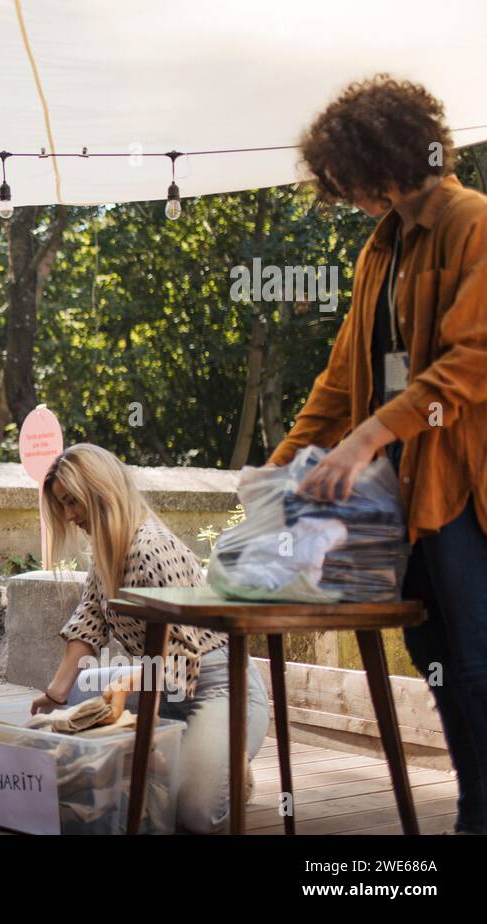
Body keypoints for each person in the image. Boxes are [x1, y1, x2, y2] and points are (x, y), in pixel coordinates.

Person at [270, 75, 487, 834]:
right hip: (404, 492)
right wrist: (281, 463)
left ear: (378, 160)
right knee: (436, 657)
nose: (345, 193)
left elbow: (471, 360)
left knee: (475, 663)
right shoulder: (381, 245)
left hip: (462, 483)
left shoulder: (473, 221)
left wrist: (369, 437)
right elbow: (342, 375)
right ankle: (472, 812)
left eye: (347, 178)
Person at [32, 443, 270, 833]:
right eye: (63, 506)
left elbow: (181, 658)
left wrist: (123, 688)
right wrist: (57, 694)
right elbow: (89, 621)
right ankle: (179, 753)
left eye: (72, 502)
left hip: (216, 685)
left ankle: (227, 763)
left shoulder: (150, 548)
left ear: (100, 490)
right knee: (80, 694)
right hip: (162, 682)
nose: (71, 516)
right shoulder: (109, 549)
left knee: (193, 815)